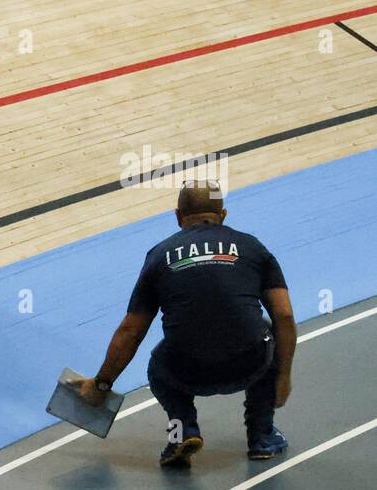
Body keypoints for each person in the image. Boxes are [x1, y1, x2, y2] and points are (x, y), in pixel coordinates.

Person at [77, 180, 295, 468]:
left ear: (178, 216)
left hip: (187, 371)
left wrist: (102, 384)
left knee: (158, 365)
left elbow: (132, 331)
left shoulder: (159, 255)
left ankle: (183, 432)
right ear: (223, 215)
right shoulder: (252, 247)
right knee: (268, 333)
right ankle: (262, 437)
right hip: (249, 365)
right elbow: (284, 316)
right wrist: (283, 377)